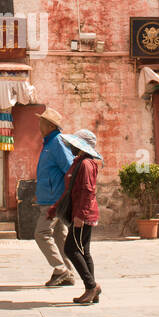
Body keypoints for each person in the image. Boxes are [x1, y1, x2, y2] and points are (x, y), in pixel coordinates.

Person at [50, 128, 102, 305]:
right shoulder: (78, 162)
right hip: (81, 213)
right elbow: (70, 190)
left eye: (74, 144)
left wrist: (80, 215)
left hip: (83, 215)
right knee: (83, 251)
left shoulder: (86, 164)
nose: (71, 147)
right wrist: (56, 207)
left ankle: (91, 286)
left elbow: (87, 191)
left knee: (71, 249)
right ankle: (92, 290)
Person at [33, 107, 76, 286]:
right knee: (60, 237)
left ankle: (60, 270)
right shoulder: (49, 143)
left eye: (42, 121)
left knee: (41, 233)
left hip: (54, 200)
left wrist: (64, 197)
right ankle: (69, 273)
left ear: (49, 125)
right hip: (51, 197)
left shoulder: (57, 143)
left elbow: (70, 169)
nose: (39, 123)